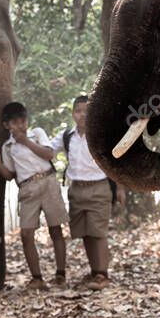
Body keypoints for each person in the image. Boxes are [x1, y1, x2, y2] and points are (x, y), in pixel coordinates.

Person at [0, 101, 69, 289]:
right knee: (26, 234)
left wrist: (25, 141)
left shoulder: (37, 133)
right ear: (6, 125)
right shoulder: (7, 147)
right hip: (27, 189)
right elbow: (9, 175)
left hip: (48, 182)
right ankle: (37, 278)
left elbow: (49, 154)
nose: (20, 125)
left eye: (22, 120)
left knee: (55, 229)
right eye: (14, 122)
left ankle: (60, 274)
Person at [52, 95, 125, 290]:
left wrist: (119, 187)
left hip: (99, 188)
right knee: (85, 233)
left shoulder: (101, 135)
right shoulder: (67, 136)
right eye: (78, 111)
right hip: (77, 190)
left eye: (86, 110)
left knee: (98, 232)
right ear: (73, 114)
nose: (82, 115)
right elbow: (47, 150)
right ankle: (94, 271)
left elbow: (115, 161)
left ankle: (102, 273)